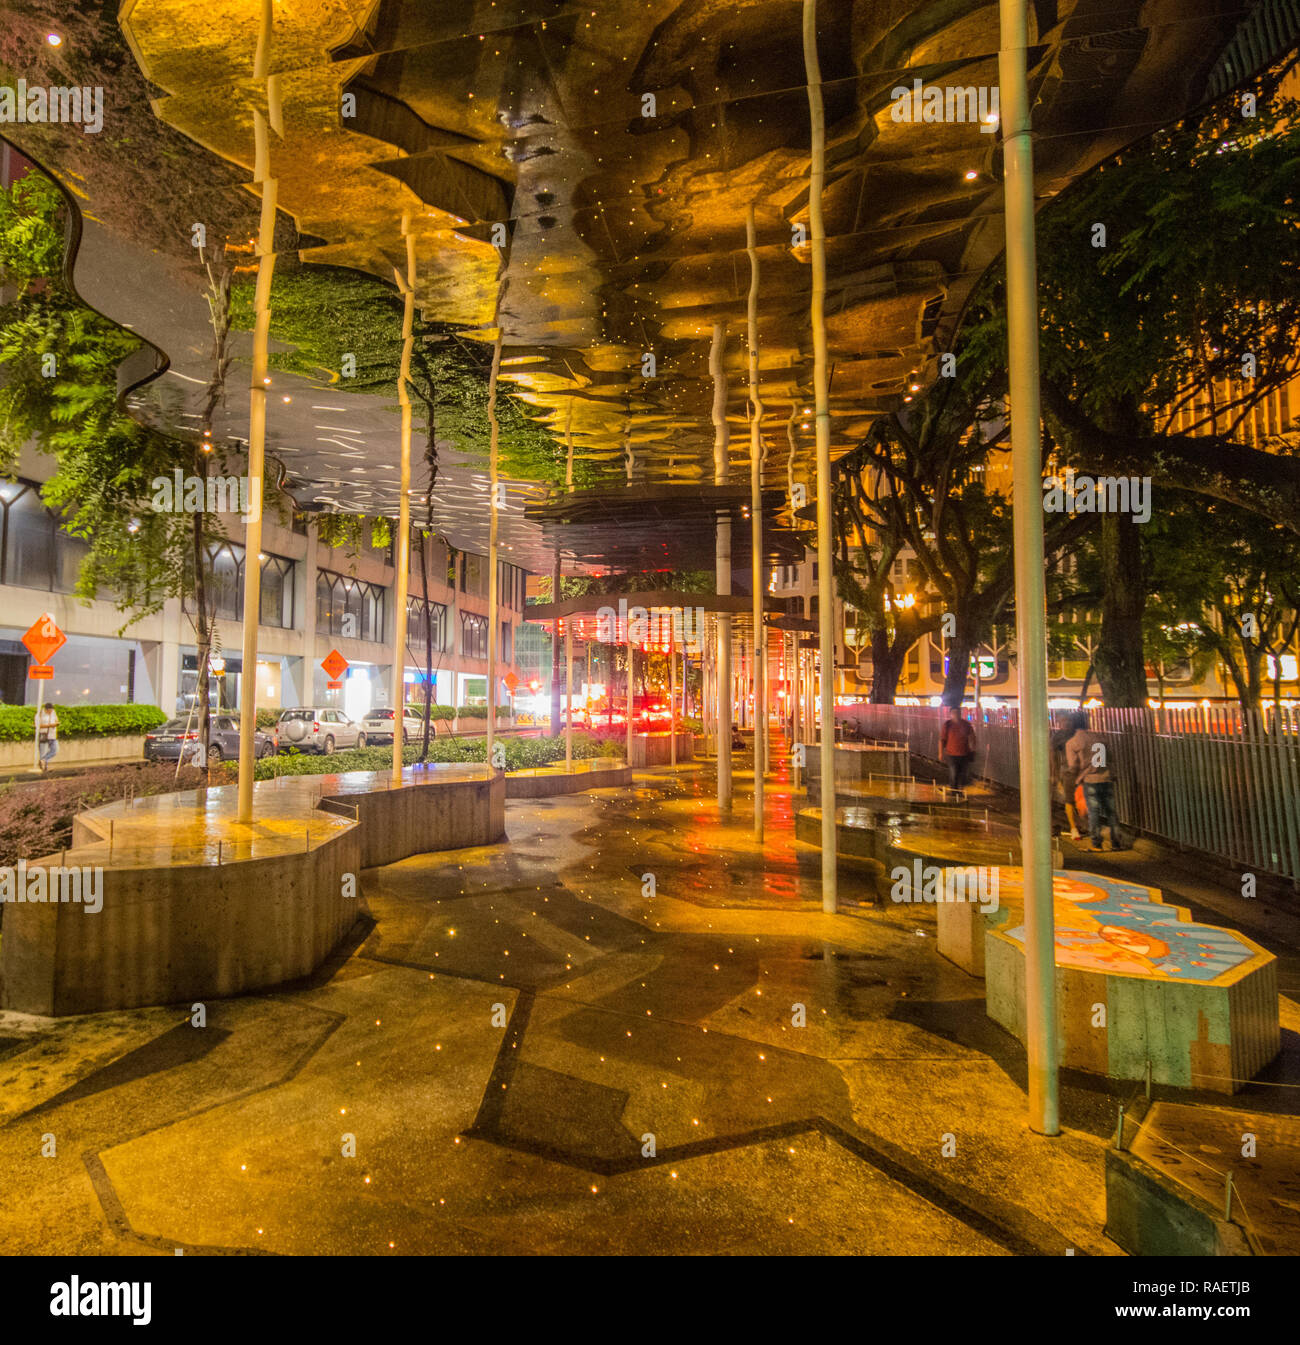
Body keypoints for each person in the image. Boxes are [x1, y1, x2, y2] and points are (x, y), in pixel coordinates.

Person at [1065, 709, 1128, 851]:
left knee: (1094, 813)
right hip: (1106, 777)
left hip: (1090, 780)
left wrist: (1074, 777)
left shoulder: (1073, 742)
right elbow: (1110, 758)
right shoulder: (1100, 738)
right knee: (1111, 812)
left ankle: (1096, 843)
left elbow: (1073, 766)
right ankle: (1116, 843)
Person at [1050, 721, 1084, 839]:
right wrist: (1055, 774)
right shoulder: (1060, 737)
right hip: (1068, 772)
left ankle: (1076, 826)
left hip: (1074, 771)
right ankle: (1073, 827)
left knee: (1075, 800)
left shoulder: (1067, 736)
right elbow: (1053, 756)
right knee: (1070, 800)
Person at [938, 702, 976, 790]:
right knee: (954, 773)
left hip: (964, 753)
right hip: (951, 754)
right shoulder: (947, 725)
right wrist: (940, 753)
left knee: (962, 773)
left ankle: (959, 789)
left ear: (960, 713)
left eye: (957, 712)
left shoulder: (966, 724)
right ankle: (954, 790)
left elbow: (972, 737)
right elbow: (942, 740)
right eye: (954, 713)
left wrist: (972, 749)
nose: (956, 714)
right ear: (950, 714)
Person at [36, 701, 59, 772]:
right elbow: (38, 725)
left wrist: (56, 723)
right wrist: (49, 725)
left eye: (51, 710)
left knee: (55, 750)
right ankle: (44, 767)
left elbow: (56, 720)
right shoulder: (40, 714)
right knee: (43, 751)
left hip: (52, 735)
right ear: (46, 709)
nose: (50, 712)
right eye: (49, 711)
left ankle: (43, 760)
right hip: (44, 735)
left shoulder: (53, 713)